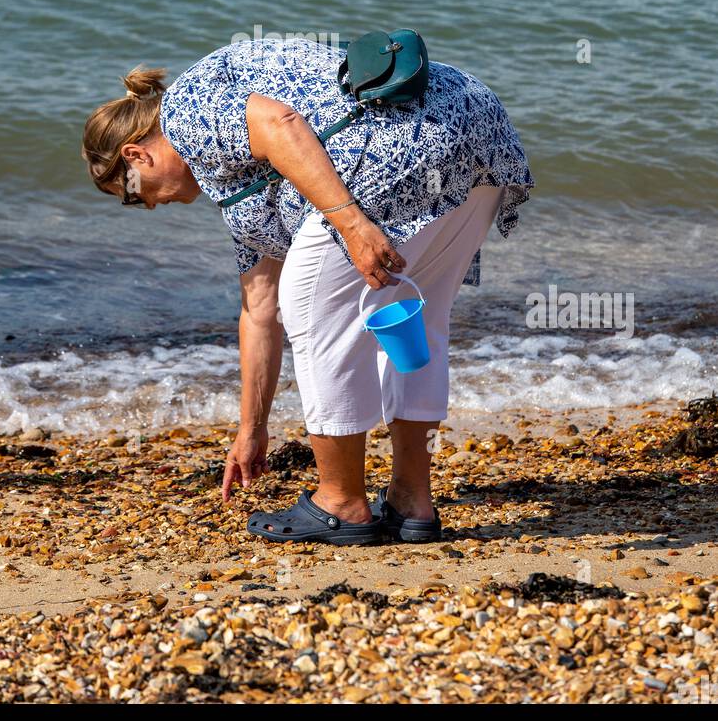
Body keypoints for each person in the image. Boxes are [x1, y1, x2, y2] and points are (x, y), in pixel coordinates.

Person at [81, 34, 533, 545]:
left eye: (131, 195)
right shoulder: (236, 188)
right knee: (414, 320)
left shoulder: (186, 115)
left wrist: (352, 225)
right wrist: (251, 431)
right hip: (474, 130)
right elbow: (258, 311)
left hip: (402, 143)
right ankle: (412, 504)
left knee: (314, 316)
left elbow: (281, 124)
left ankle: (340, 503)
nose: (149, 207)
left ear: (137, 154)